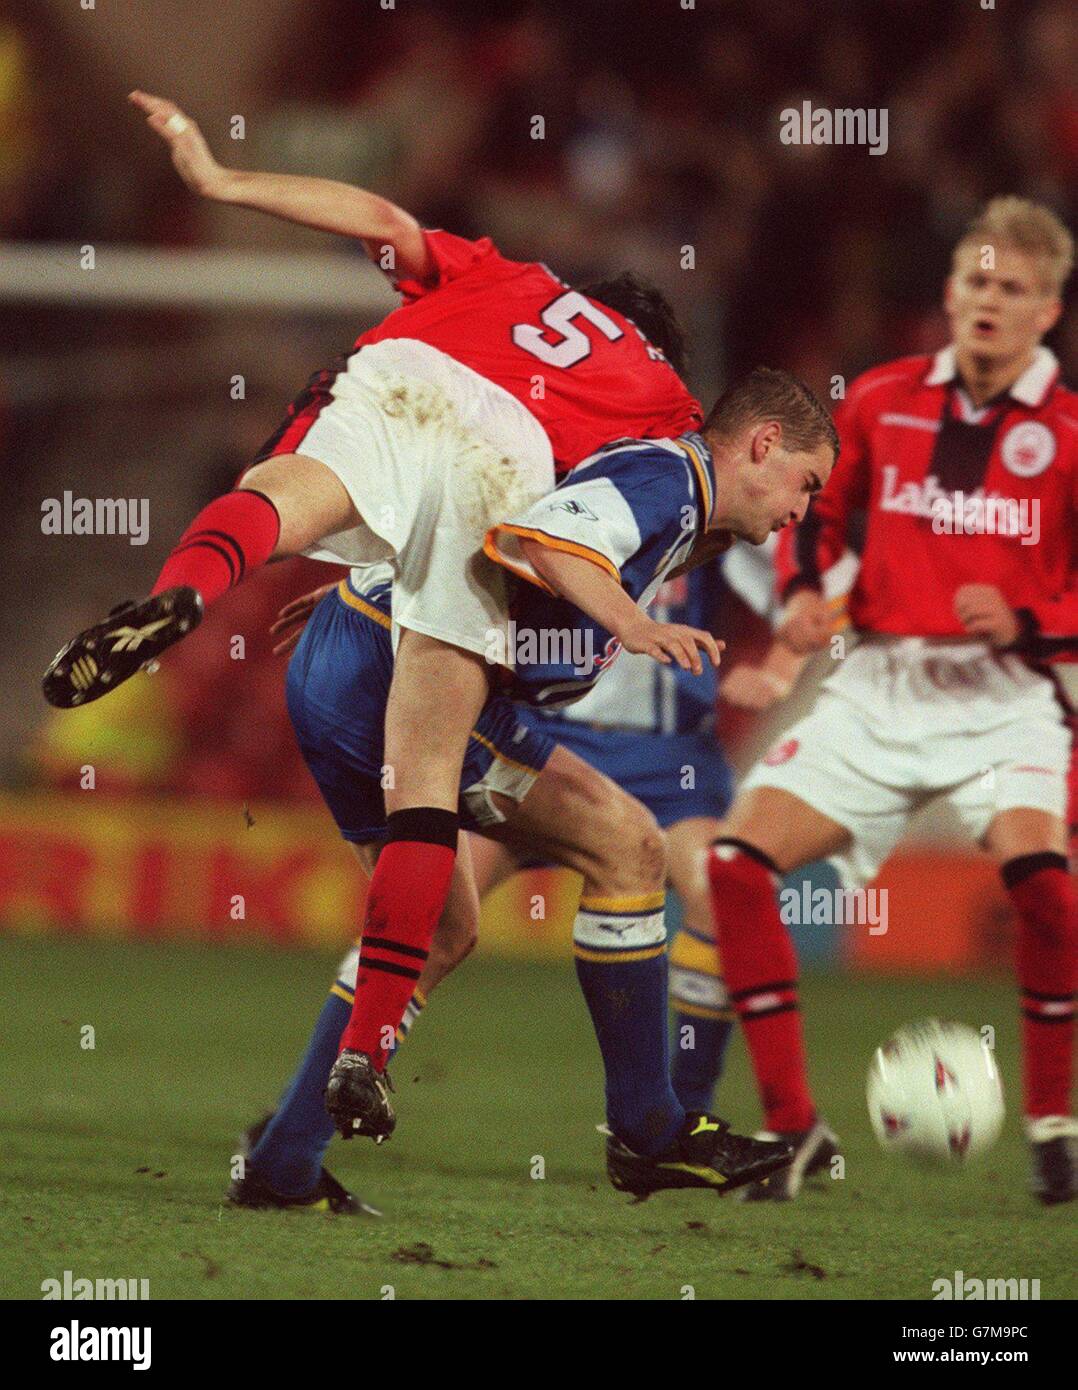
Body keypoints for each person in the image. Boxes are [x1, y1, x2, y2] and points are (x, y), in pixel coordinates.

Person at [236, 369, 836, 1208]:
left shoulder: (680, 510)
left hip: (358, 658)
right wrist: (635, 624)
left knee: (442, 926)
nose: (802, 509)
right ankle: (650, 1128)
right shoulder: (668, 478)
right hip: (411, 675)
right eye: (806, 483)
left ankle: (282, 1164)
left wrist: (367, 589)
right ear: (763, 445)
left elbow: (487, 513)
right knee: (628, 846)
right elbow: (539, 540)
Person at [706, 197, 1077, 1204]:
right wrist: (795, 599)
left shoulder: (1072, 433)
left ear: (1047, 309)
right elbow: (820, 522)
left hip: (1006, 698)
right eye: (973, 281)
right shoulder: (878, 399)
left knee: (1045, 888)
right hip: (876, 687)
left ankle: (1052, 1123)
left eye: (1010, 288)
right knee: (736, 867)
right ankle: (794, 1132)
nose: (986, 301)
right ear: (950, 291)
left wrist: (1032, 619)